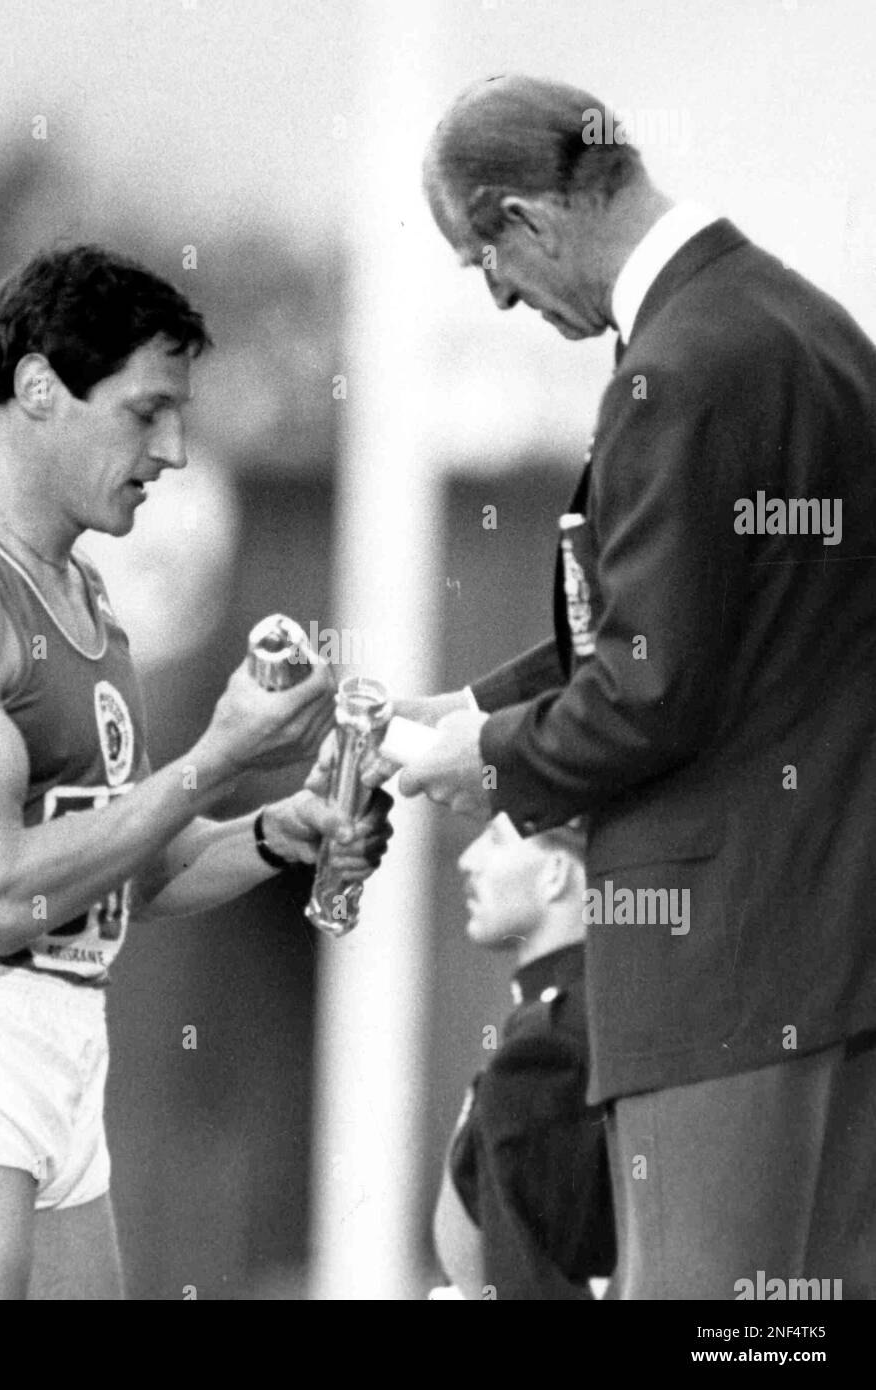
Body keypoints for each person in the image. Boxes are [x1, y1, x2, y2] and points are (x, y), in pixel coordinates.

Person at [0, 244, 392, 1301]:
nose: (171, 450)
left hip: (61, 1050)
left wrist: (276, 832)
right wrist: (216, 758)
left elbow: (120, 875)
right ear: (40, 389)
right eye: (144, 411)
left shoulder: (84, 594)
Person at [393, 75, 876, 1298]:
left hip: (720, 955)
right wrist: (465, 710)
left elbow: (651, 688)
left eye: (480, 260)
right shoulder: (809, 329)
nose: (495, 293)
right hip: (835, 939)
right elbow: (705, 625)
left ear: (526, 220)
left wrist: (486, 760)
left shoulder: (680, 365)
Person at [432, 814, 614, 1301]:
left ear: (556, 873)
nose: (466, 859)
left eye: (495, 840)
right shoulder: (563, 1021)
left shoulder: (553, 1045)